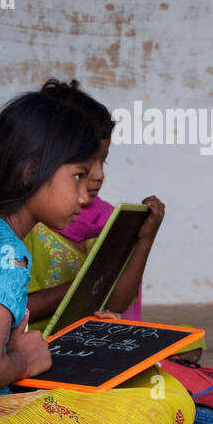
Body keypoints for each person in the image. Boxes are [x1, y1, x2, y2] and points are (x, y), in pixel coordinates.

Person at [0, 89, 193, 424]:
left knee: (149, 388)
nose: (88, 193)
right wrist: (25, 361)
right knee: (158, 407)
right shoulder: (7, 255)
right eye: (79, 176)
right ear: (31, 171)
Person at [24, 79, 165, 330]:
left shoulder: (103, 219)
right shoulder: (26, 224)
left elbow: (115, 304)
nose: (99, 176)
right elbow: (15, 309)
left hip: (87, 340)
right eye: (85, 167)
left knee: (190, 346)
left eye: (104, 162)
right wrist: (83, 287)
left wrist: (145, 240)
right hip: (39, 346)